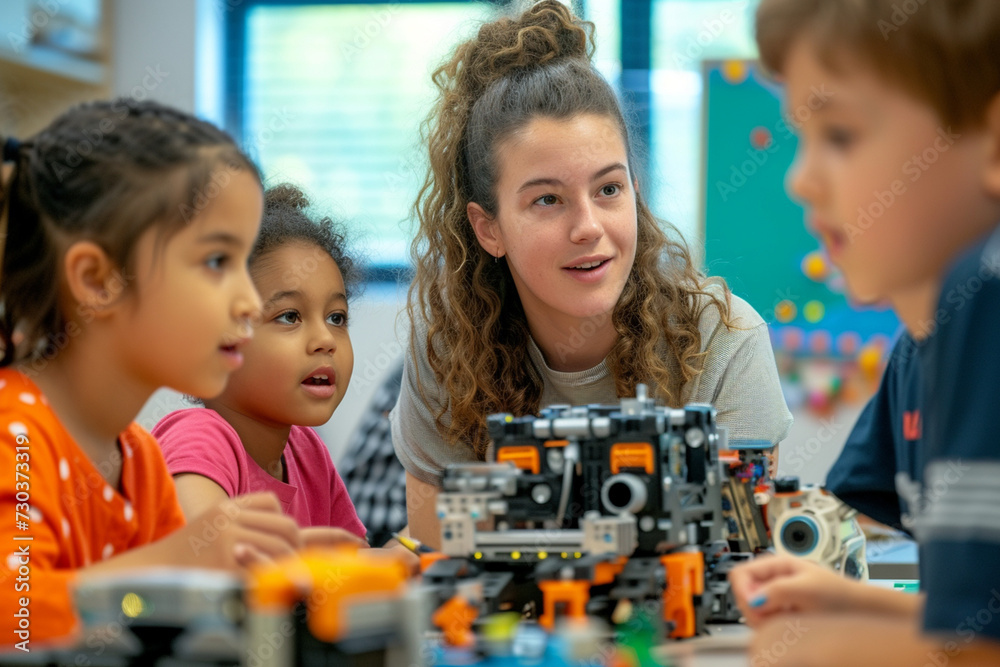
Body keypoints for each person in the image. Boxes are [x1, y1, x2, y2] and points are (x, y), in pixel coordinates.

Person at [391, 0, 792, 548]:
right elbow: (440, 556)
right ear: (489, 229)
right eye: (548, 199)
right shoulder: (448, 351)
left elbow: (746, 564)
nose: (588, 227)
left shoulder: (724, 340)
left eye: (609, 189)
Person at [728, 1, 1000, 664]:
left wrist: (820, 648)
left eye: (841, 135)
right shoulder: (925, 344)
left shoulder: (986, 300)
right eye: (802, 137)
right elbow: (972, 624)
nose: (799, 179)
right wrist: (848, 605)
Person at [0, 100, 303, 645]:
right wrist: (177, 562)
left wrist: (275, 587)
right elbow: (14, 620)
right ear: (98, 280)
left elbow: (158, 630)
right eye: (217, 261)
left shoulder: (140, 460)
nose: (249, 302)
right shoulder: (13, 437)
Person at [153, 184, 366, 545]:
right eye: (289, 317)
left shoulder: (309, 453)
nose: (325, 340)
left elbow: (353, 560)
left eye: (336, 317)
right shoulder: (199, 438)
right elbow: (210, 554)